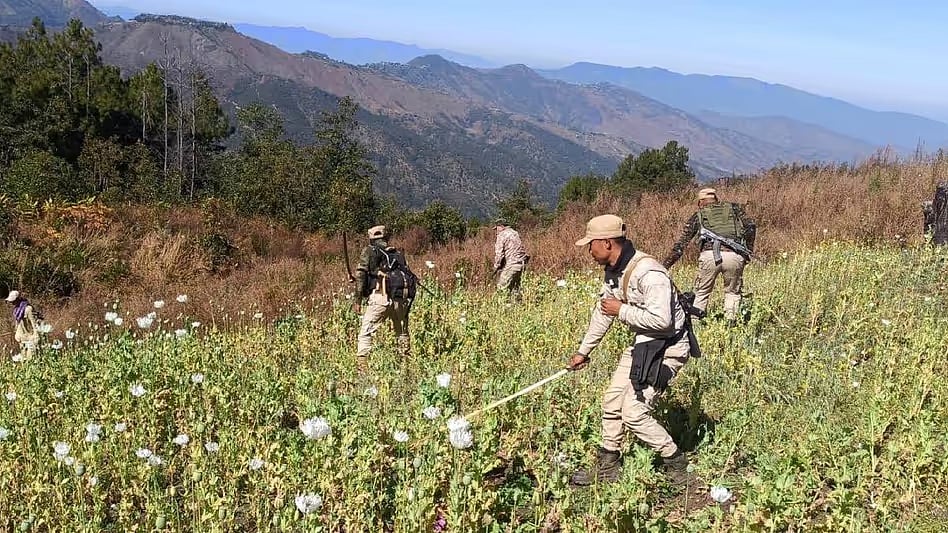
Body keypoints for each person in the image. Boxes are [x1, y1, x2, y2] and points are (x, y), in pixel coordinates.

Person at [566, 215, 698, 486]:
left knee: (634, 413)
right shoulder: (613, 270)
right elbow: (604, 313)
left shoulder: (649, 273)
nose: (589, 251)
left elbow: (663, 321)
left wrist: (622, 310)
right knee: (612, 401)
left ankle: (676, 464)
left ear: (606, 243)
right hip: (643, 343)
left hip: (668, 348)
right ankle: (607, 467)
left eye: (591, 245)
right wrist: (583, 352)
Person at [663, 188, 756, 323]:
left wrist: (664, 266)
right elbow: (751, 226)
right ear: (716, 199)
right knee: (732, 293)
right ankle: (731, 326)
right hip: (734, 255)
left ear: (701, 202)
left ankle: (696, 326)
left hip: (709, 256)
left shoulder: (698, 215)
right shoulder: (734, 208)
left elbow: (681, 245)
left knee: (701, 293)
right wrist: (748, 251)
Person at [352, 225, 417, 373]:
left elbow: (362, 275)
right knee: (401, 332)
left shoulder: (369, 251)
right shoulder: (397, 253)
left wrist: (358, 300)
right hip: (399, 299)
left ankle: (362, 370)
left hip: (379, 297)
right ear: (386, 237)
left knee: (366, 333)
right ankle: (405, 367)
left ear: (371, 237)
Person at [492, 219, 529, 302]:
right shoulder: (515, 233)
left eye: (496, 228)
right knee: (516, 288)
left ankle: (502, 309)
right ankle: (518, 308)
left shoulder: (502, 235)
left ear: (501, 226)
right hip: (522, 264)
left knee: (502, 288)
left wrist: (495, 267)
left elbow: (499, 254)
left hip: (512, 264)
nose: (496, 231)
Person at [6, 290, 40, 360]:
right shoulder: (16, 310)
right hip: (22, 339)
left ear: (17, 299)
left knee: (30, 359)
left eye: (13, 301)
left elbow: (34, 324)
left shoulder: (28, 309)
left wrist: (36, 336)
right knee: (23, 359)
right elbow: (17, 324)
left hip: (30, 339)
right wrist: (16, 334)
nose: (11, 303)